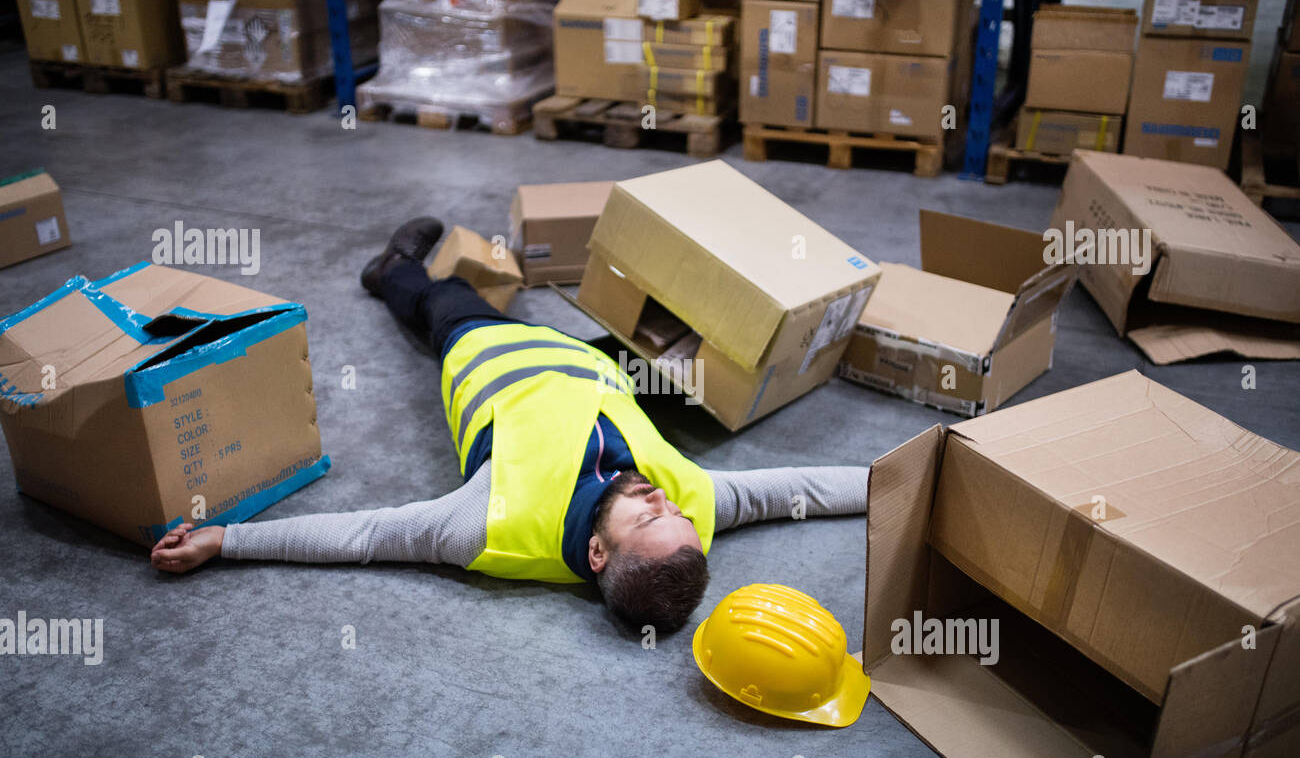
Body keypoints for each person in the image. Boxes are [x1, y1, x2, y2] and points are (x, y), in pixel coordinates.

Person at [151, 220, 870, 633]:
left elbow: (365, 534)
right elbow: (801, 487)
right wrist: (910, 478)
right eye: (677, 511)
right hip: (591, 368)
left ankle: (393, 269)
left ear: (595, 554)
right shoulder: (691, 511)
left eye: (651, 516)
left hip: (492, 355)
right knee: (690, 336)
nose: (664, 498)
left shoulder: (485, 526)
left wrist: (226, 540)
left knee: (445, 300)